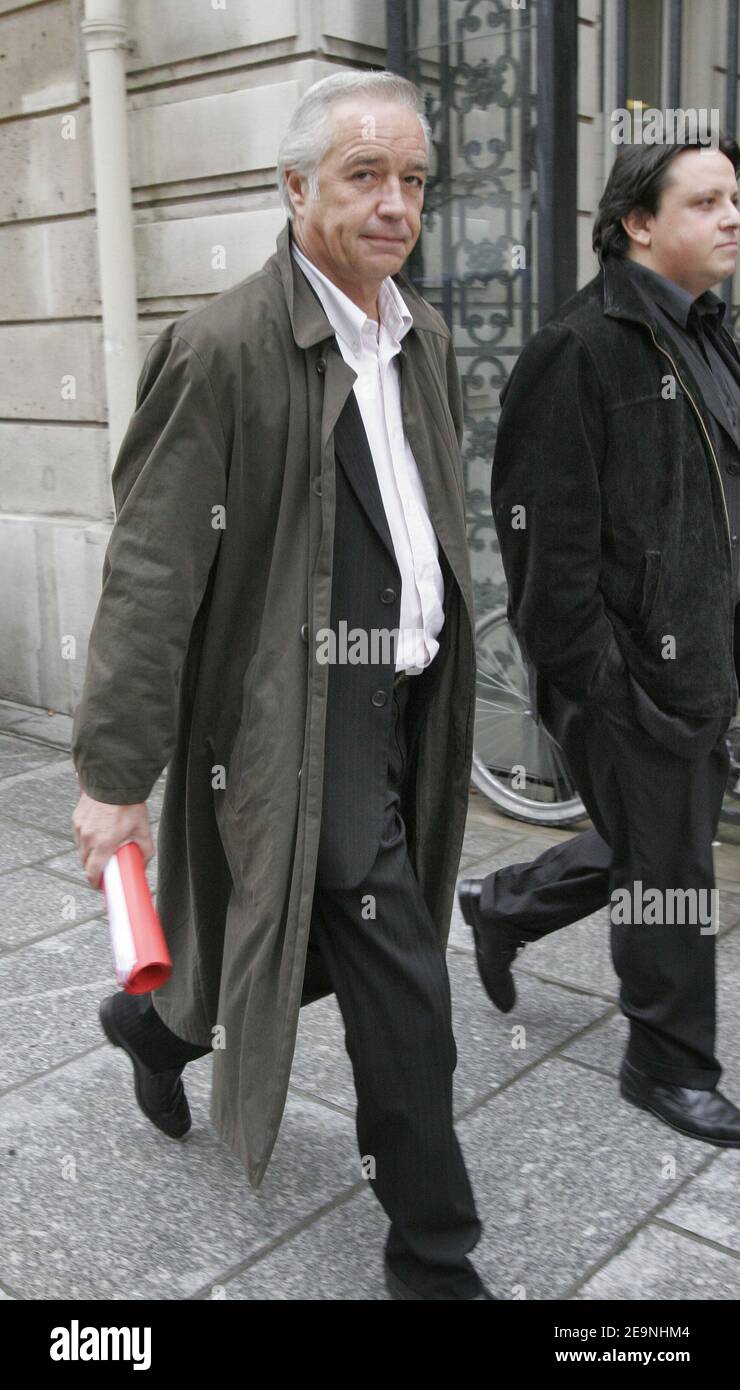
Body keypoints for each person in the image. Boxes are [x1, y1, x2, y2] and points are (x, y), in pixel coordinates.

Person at [71, 70, 494, 1300]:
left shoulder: (426, 338)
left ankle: (149, 1025)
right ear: (294, 186)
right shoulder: (219, 351)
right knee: (404, 988)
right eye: (363, 175)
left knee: (291, 938)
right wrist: (113, 776)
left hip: (407, 710)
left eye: (412, 179)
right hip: (300, 726)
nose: (393, 203)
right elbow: (149, 575)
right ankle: (434, 1257)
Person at [459, 135, 740, 1148]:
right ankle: (665, 1064)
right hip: (634, 680)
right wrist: (613, 692)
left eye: (732, 199)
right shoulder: (576, 350)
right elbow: (544, 555)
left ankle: (502, 905)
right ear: (635, 222)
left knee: (649, 838)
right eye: (704, 201)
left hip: (701, 658)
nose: (730, 218)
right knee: (669, 865)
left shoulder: (704, 331)